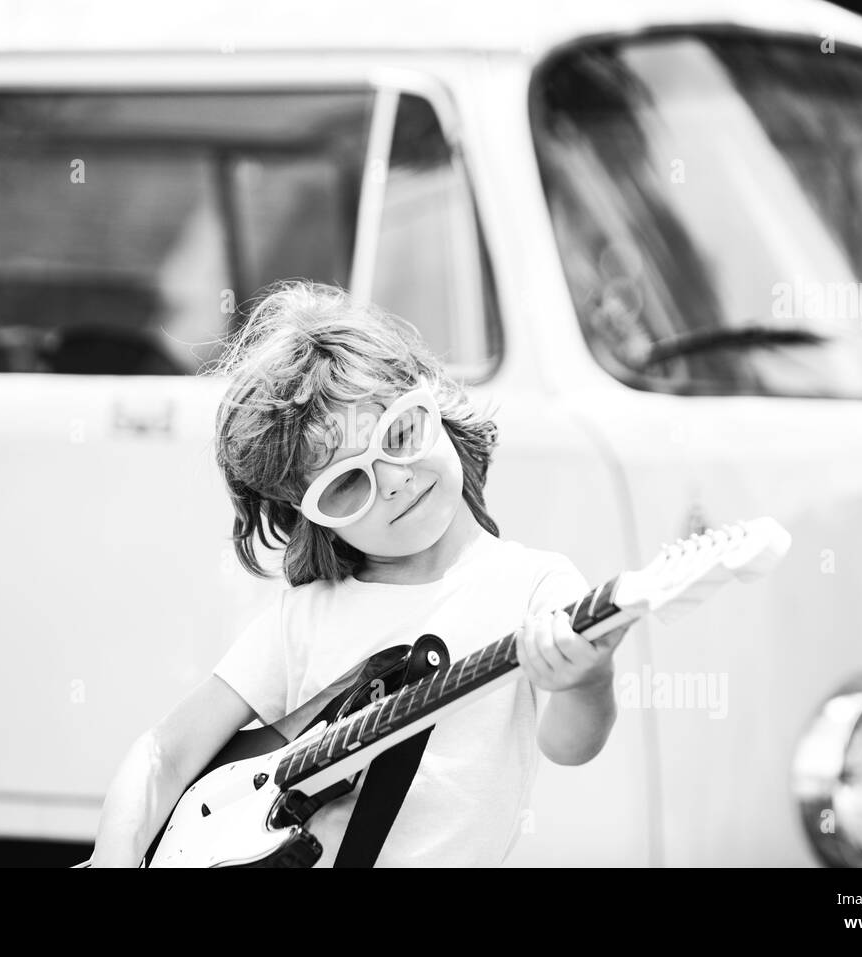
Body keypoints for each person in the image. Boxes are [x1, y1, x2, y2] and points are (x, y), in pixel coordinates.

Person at [90, 280, 632, 867]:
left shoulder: (536, 587)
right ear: (311, 517)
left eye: (401, 433)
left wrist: (587, 679)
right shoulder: (308, 615)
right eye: (349, 483)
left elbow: (568, 745)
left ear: (434, 402)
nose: (394, 479)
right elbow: (162, 757)